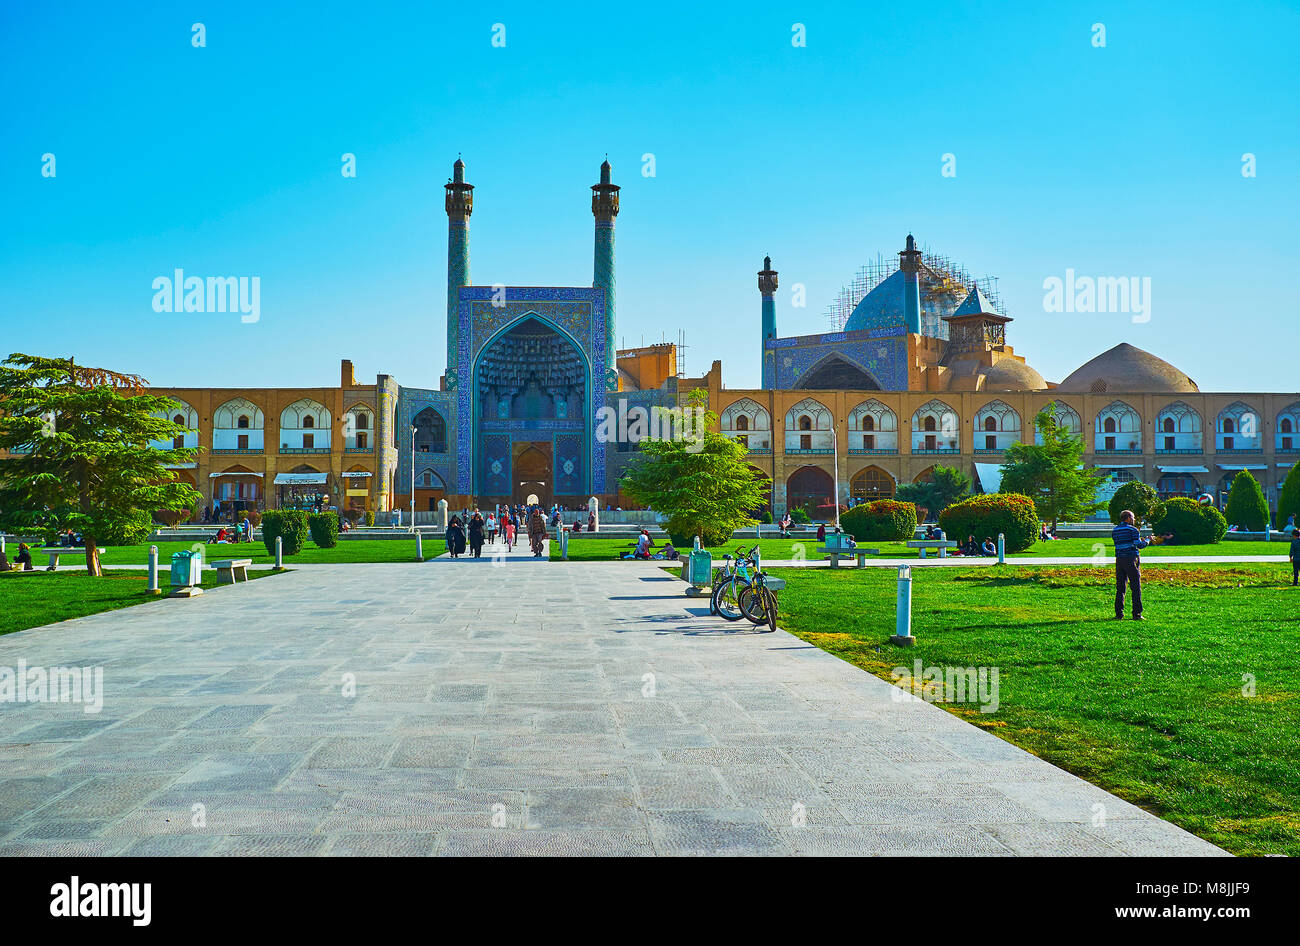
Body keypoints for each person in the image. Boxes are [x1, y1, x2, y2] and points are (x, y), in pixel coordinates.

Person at [1112, 509, 1172, 620]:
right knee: (1135, 587)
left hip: (1119, 560)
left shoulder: (1115, 530)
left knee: (1120, 587)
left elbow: (1126, 543)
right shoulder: (1133, 530)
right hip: (1131, 559)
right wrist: (1148, 540)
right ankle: (1137, 614)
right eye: (1133, 517)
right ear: (1129, 517)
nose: (1134, 520)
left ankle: (1119, 613)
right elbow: (1139, 545)